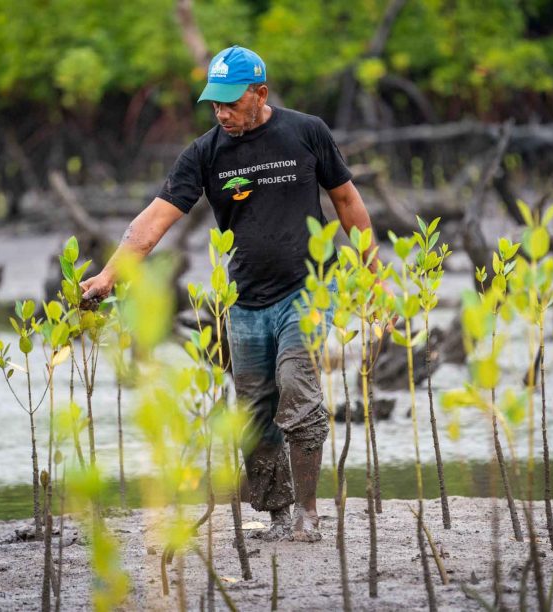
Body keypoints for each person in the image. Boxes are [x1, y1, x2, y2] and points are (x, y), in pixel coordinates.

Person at [81, 45, 378, 542]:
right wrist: (109, 275)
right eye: (214, 103)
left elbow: (346, 200)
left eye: (231, 102)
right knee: (253, 412)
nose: (221, 112)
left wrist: (374, 275)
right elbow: (154, 219)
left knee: (298, 390)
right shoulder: (205, 153)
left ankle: (308, 512)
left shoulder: (307, 132)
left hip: (308, 289)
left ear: (260, 94)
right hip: (243, 300)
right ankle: (278, 515)